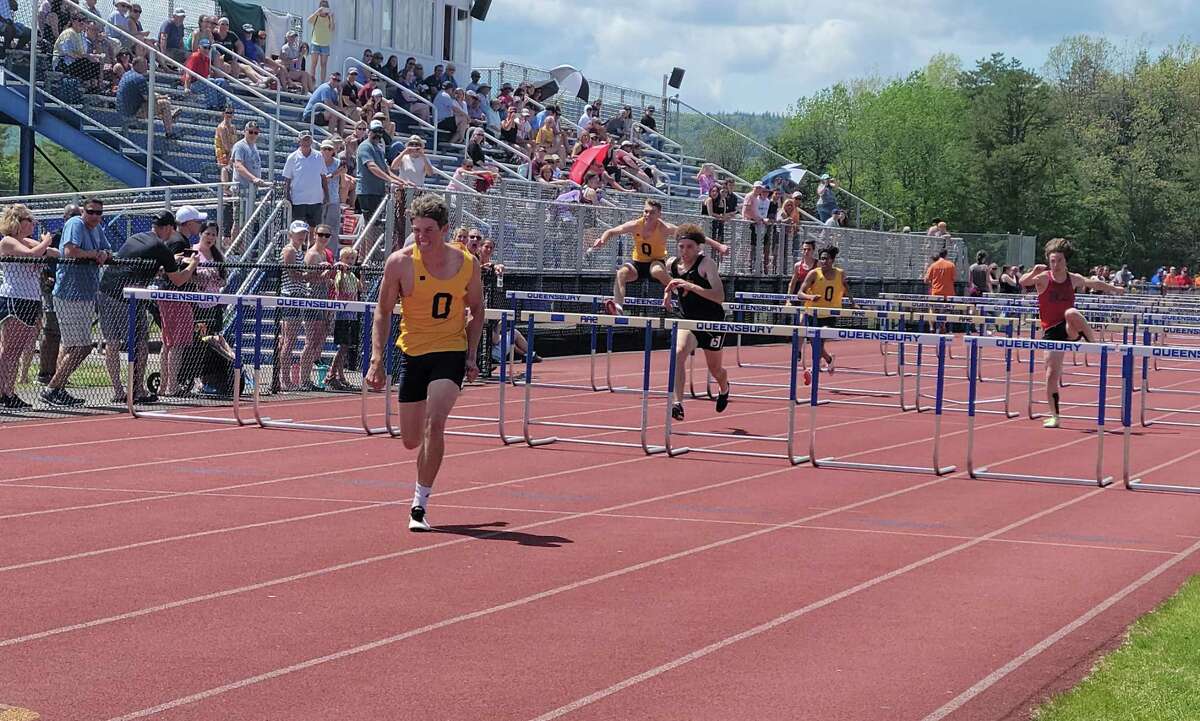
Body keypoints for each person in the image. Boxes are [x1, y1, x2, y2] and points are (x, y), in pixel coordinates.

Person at [365, 193, 484, 532]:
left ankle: (420, 503)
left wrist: (472, 355)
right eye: (417, 229)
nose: (422, 237)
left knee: (436, 421)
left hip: (450, 350)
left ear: (444, 230)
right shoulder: (400, 263)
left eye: (429, 230)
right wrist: (377, 358)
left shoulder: (467, 263)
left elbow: (477, 310)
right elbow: (383, 310)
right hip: (412, 352)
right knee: (410, 439)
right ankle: (421, 482)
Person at [1020, 238, 1123, 429]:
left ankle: (1092, 343)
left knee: (1072, 312)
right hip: (1051, 331)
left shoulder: (1072, 278)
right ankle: (1055, 416)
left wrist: (1115, 289)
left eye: (1059, 260)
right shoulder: (1043, 278)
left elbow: (1096, 284)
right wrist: (1034, 271)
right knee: (1051, 375)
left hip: (1070, 328)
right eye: (1052, 261)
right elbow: (1022, 282)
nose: (1056, 264)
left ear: (1065, 261)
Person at [97, 209, 198, 403]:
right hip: (127, 296)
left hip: (105, 289)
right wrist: (192, 264)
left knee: (112, 342)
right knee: (140, 342)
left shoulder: (136, 237)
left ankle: (119, 391)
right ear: (169, 228)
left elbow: (143, 263)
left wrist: (165, 265)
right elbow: (177, 280)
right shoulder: (161, 248)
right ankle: (137, 389)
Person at [587, 199, 728, 315]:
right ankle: (618, 307)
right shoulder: (636, 225)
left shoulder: (664, 228)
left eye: (652, 213)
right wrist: (602, 240)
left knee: (657, 271)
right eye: (645, 211)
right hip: (637, 263)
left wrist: (719, 246)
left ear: (659, 214)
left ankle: (677, 291)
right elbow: (612, 231)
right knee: (621, 273)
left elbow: (695, 235)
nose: (647, 215)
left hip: (656, 262)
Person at [42, 197, 111, 407]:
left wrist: (104, 254)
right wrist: (94, 254)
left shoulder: (97, 228)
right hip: (69, 293)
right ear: (83, 211)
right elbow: (70, 252)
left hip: (87, 293)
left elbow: (107, 250)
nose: (95, 216)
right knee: (82, 346)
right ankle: (51, 388)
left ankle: (58, 388)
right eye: (91, 212)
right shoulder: (75, 224)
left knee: (74, 345)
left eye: (99, 213)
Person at [663, 224, 731, 422]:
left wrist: (692, 286)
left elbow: (719, 296)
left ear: (699, 247)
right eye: (681, 246)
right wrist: (667, 294)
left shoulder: (706, 264)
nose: (685, 251)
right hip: (688, 320)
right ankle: (677, 403)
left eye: (689, 247)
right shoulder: (672, 265)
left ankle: (724, 387)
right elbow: (673, 284)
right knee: (678, 352)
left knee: (715, 370)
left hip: (711, 322)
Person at [0, 205, 58, 409]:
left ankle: (9, 391)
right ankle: (4, 392)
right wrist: (43, 243)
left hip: (31, 298)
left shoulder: (28, 241)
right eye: (28, 220)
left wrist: (44, 244)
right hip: (15, 298)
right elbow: (33, 254)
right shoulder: (8, 241)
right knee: (10, 350)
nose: (32, 224)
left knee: (17, 350)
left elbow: (54, 252)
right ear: (17, 222)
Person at [797, 245, 853, 376]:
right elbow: (800, 293)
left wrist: (853, 303)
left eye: (827, 259)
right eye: (822, 259)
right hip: (813, 314)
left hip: (830, 315)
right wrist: (810, 296)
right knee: (816, 345)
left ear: (832, 260)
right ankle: (828, 359)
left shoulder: (840, 274)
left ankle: (814, 369)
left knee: (818, 341)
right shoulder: (814, 273)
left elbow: (846, 288)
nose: (823, 261)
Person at [328, 244, 360, 391]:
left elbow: (361, 287)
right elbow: (338, 286)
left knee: (346, 346)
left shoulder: (353, 275)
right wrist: (340, 268)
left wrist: (362, 271)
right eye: (347, 258)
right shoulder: (341, 274)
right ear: (341, 259)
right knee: (343, 346)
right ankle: (331, 374)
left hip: (352, 314)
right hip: (343, 314)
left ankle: (341, 376)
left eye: (352, 258)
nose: (350, 261)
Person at [282, 131, 326, 228]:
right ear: (299, 141)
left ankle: (311, 243)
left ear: (311, 141)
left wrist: (326, 195)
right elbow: (287, 179)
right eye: (304, 139)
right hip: (298, 200)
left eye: (308, 139)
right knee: (299, 228)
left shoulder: (319, 156)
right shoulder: (292, 158)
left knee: (314, 228)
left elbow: (323, 177)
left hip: (316, 199)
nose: (306, 142)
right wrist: (287, 196)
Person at [307, 0, 333, 83]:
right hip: (315, 42)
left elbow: (332, 28)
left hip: (325, 44)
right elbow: (308, 20)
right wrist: (317, 12)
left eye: (325, 6)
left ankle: (322, 82)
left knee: (323, 64)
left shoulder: (329, 17)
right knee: (313, 64)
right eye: (322, 6)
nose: (324, 8)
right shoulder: (316, 16)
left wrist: (331, 17)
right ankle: (312, 82)